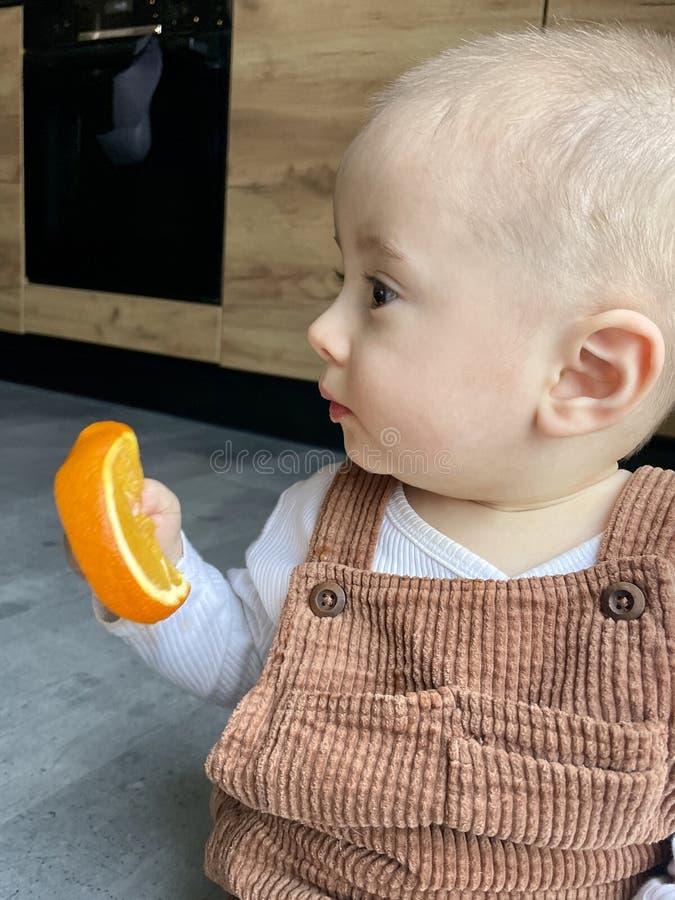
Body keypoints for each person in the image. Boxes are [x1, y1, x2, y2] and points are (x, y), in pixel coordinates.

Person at [65, 22, 675, 899]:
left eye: (380, 292)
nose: (321, 327)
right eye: (340, 279)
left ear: (583, 374)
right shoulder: (324, 518)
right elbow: (250, 665)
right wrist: (158, 583)